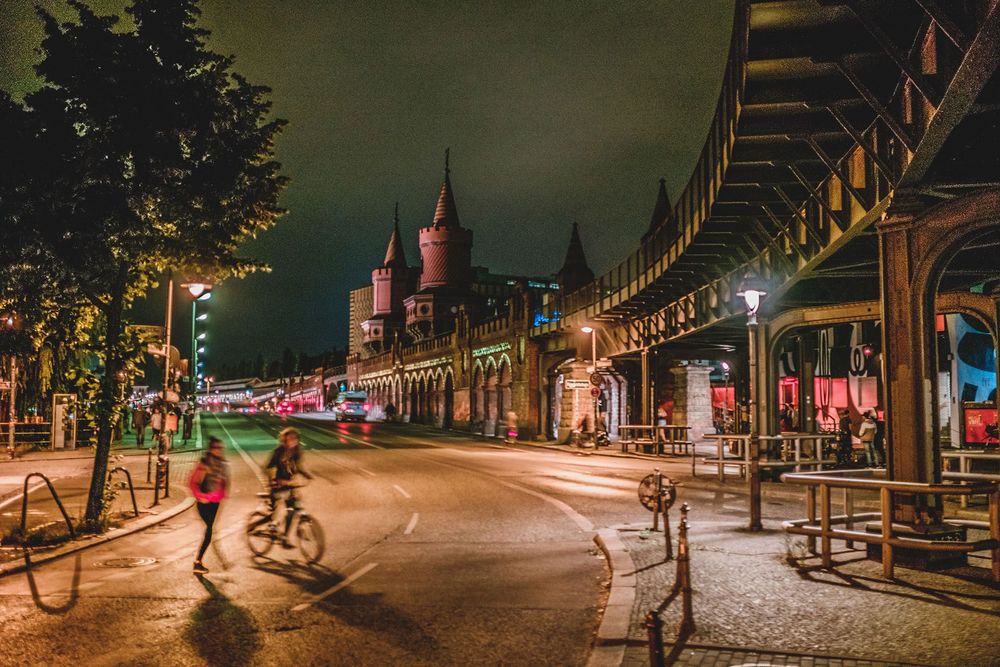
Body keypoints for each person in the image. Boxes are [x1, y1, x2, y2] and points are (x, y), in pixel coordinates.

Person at [188, 436, 230, 574]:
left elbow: (223, 482)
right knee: (209, 530)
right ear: (211, 449)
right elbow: (192, 482)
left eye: (220, 448)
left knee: (210, 530)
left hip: (215, 502)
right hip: (204, 503)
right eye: (216, 448)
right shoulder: (204, 463)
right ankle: (197, 562)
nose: (219, 450)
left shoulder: (222, 463)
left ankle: (200, 560)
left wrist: (221, 494)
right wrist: (201, 496)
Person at [265, 427, 313, 547]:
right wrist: (274, 480)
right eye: (290, 439)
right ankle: (272, 524)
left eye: (295, 438)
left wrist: (306, 475)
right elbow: (269, 467)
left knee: (292, 510)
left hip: (289, 484)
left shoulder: (296, 452)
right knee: (275, 512)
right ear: (284, 440)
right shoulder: (278, 452)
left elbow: (298, 467)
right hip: (277, 484)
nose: (293, 441)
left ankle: (285, 537)